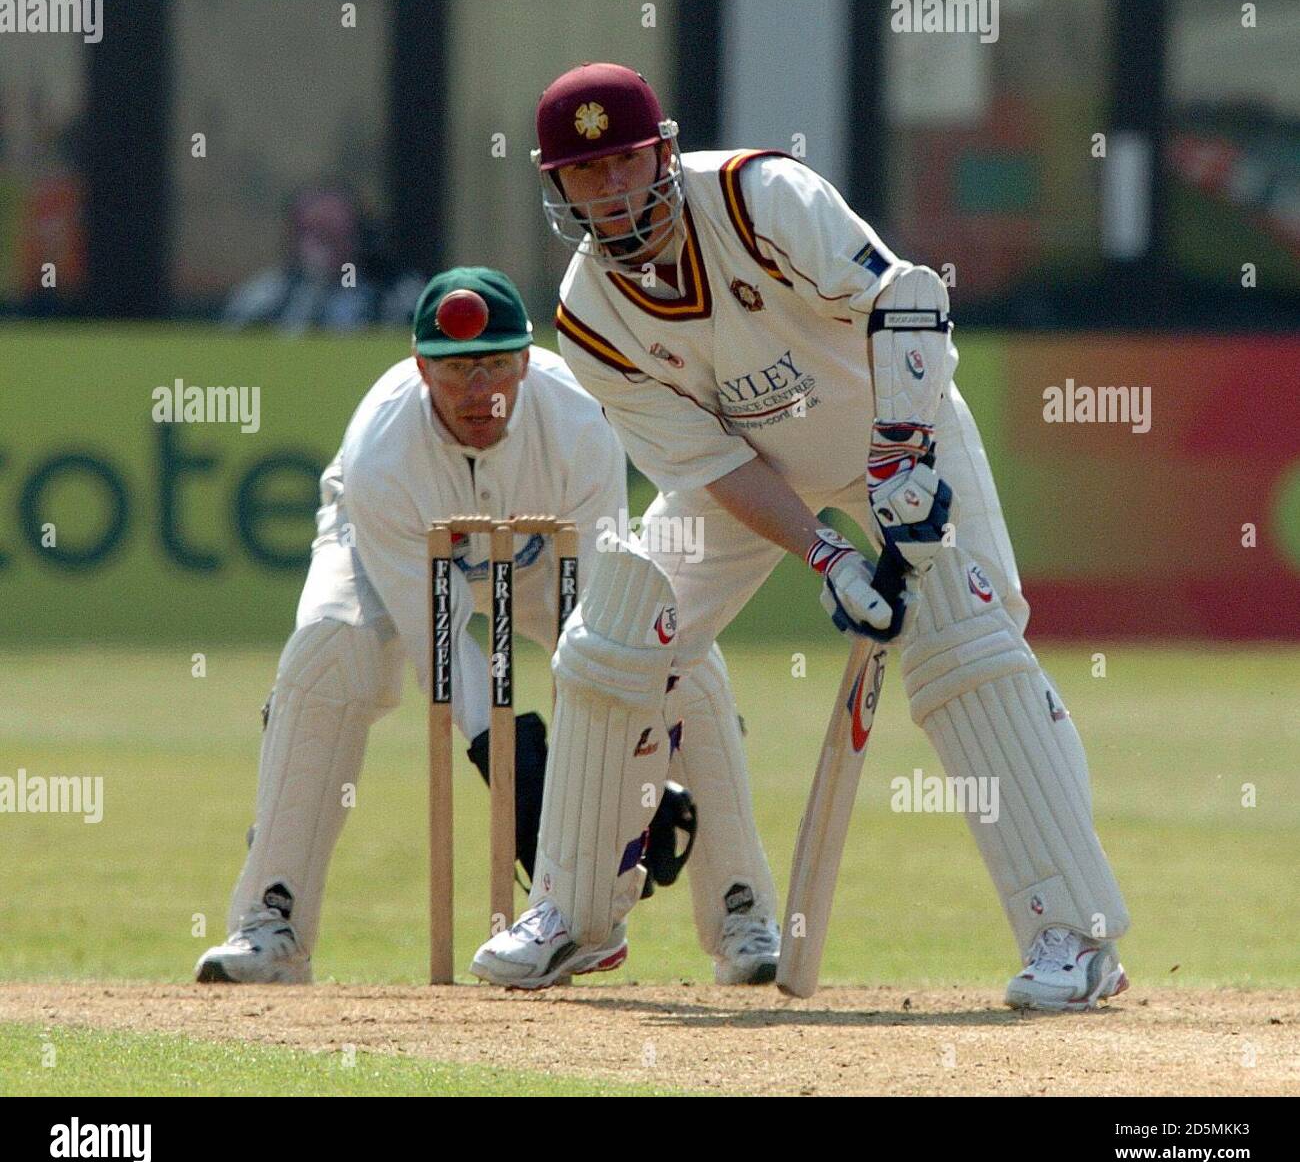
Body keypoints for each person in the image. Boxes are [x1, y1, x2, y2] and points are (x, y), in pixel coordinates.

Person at [471, 64, 1130, 1012]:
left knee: (968, 651)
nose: (612, 190)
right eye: (586, 173)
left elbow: (906, 300)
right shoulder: (591, 319)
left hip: (905, 426)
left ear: (663, 152)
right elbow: (707, 467)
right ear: (558, 187)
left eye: (625, 162)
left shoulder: (758, 196)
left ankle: (1072, 934)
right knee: (613, 632)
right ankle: (576, 915)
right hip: (763, 474)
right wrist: (826, 554)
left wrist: (902, 454)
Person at [196, 267, 702, 984]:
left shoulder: (581, 420)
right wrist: (518, 773)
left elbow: (598, 617)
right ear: (421, 369)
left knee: (678, 658)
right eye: (457, 368)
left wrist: (617, 786)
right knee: (329, 652)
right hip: (380, 548)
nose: (480, 389)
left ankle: (745, 919)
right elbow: (441, 642)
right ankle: (271, 922)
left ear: (528, 361)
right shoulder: (382, 450)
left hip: (537, 562)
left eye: (497, 363)